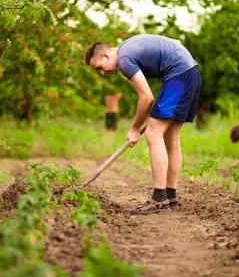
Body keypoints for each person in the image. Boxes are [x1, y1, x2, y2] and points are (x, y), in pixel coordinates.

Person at [85, 34, 201, 214]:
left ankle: (159, 199)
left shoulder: (124, 60)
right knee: (171, 137)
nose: (102, 72)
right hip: (190, 72)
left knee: (153, 133)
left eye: (100, 67)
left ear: (105, 56)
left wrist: (135, 129)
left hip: (179, 76)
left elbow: (146, 98)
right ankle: (170, 197)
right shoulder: (127, 48)